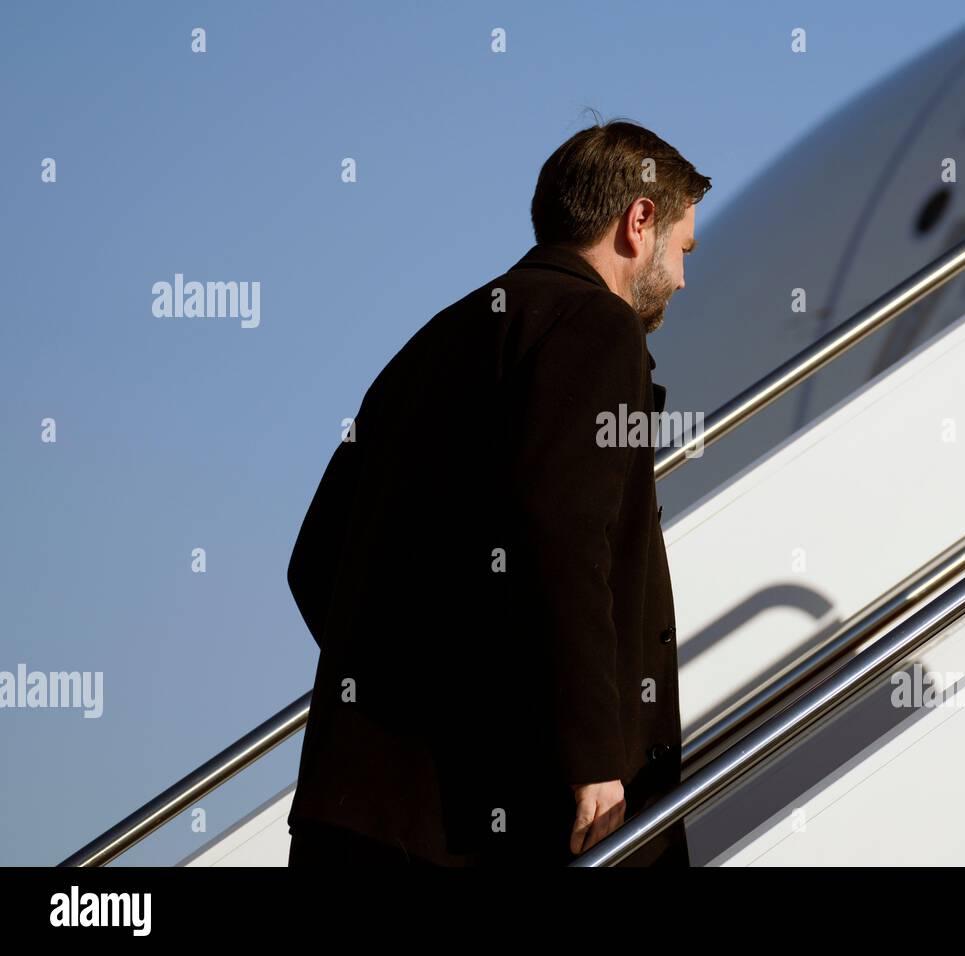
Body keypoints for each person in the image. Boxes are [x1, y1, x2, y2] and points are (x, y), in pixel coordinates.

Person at [284, 116, 710, 867]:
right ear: (638, 221)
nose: (682, 279)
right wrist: (590, 760)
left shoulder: (430, 345)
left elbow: (314, 562)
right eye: (682, 250)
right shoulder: (596, 326)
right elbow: (563, 535)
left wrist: (415, 699)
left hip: (352, 819)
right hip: (492, 827)